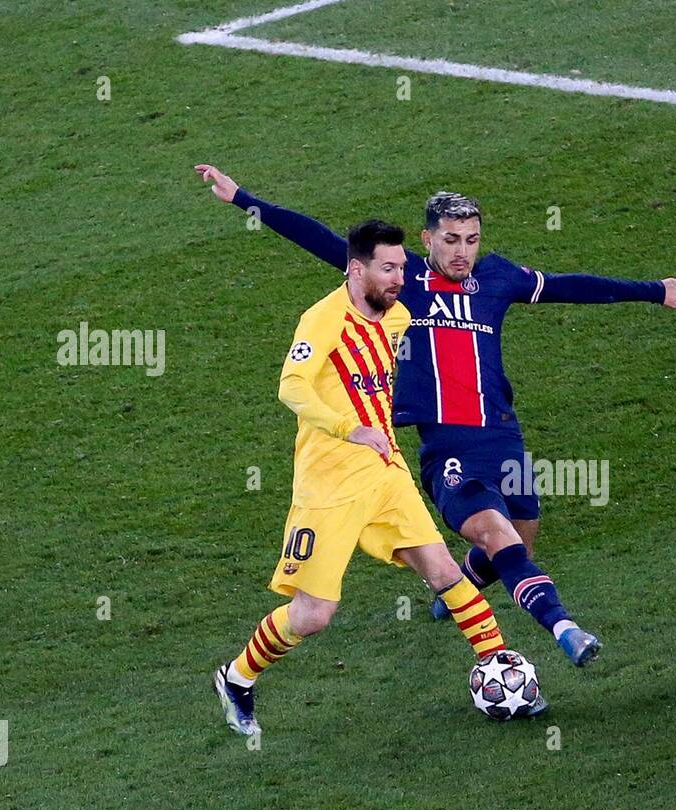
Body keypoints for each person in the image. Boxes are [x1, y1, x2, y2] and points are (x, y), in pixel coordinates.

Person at [196, 164, 676, 668]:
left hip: (502, 433)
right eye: (452, 239)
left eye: (472, 239)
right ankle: (564, 629)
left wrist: (655, 290)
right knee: (498, 537)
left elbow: (570, 285)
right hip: (449, 446)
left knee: (520, 535)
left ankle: (460, 586)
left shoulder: (498, 278)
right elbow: (320, 239)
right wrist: (242, 197)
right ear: (427, 239)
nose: (463, 251)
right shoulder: (403, 279)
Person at [213, 220, 520, 736]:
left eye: (402, 267)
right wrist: (347, 428)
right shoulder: (323, 320)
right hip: (328, 485)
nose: (400, 278)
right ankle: (237, 677)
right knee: (313, 615)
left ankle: (504, 669)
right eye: (388, 268)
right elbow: (291, 388)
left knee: (444, 570)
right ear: (357, 269)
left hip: (385, 470)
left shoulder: (397, 314)